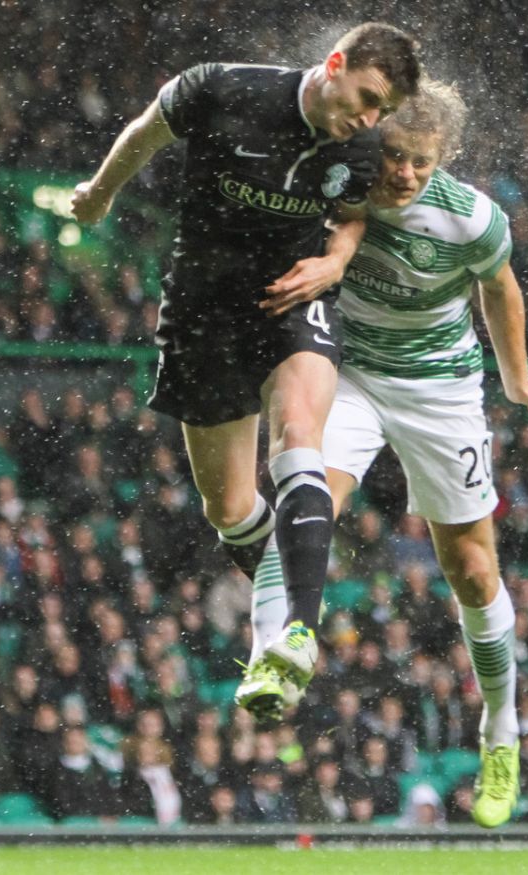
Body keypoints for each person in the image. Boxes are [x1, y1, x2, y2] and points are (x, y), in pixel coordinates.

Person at [238, 81, 528, 828]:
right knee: (304, 494)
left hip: (441, 390)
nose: (406, 174)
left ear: (443, 158)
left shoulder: (473, 218)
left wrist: (516, 379)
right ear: (372, 142)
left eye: (422, 162)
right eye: (395, 156)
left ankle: (501, 731)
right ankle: (274, 653)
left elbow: (502, 290)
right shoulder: (338, 177)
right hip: (350, 373)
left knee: (474, 569)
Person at [71, 24, 422, 703]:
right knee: (228, 506)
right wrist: (100, 192)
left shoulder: (363, 144)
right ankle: (280, 607)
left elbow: (352, 214)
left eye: (383, 112)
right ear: (335, 62)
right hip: (204, 308)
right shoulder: (220, 87)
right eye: (369, 98)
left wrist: (336, 259)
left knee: (298, 435)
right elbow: (144, 133)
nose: (371, 119)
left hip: (294, 298)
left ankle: (292, 633)